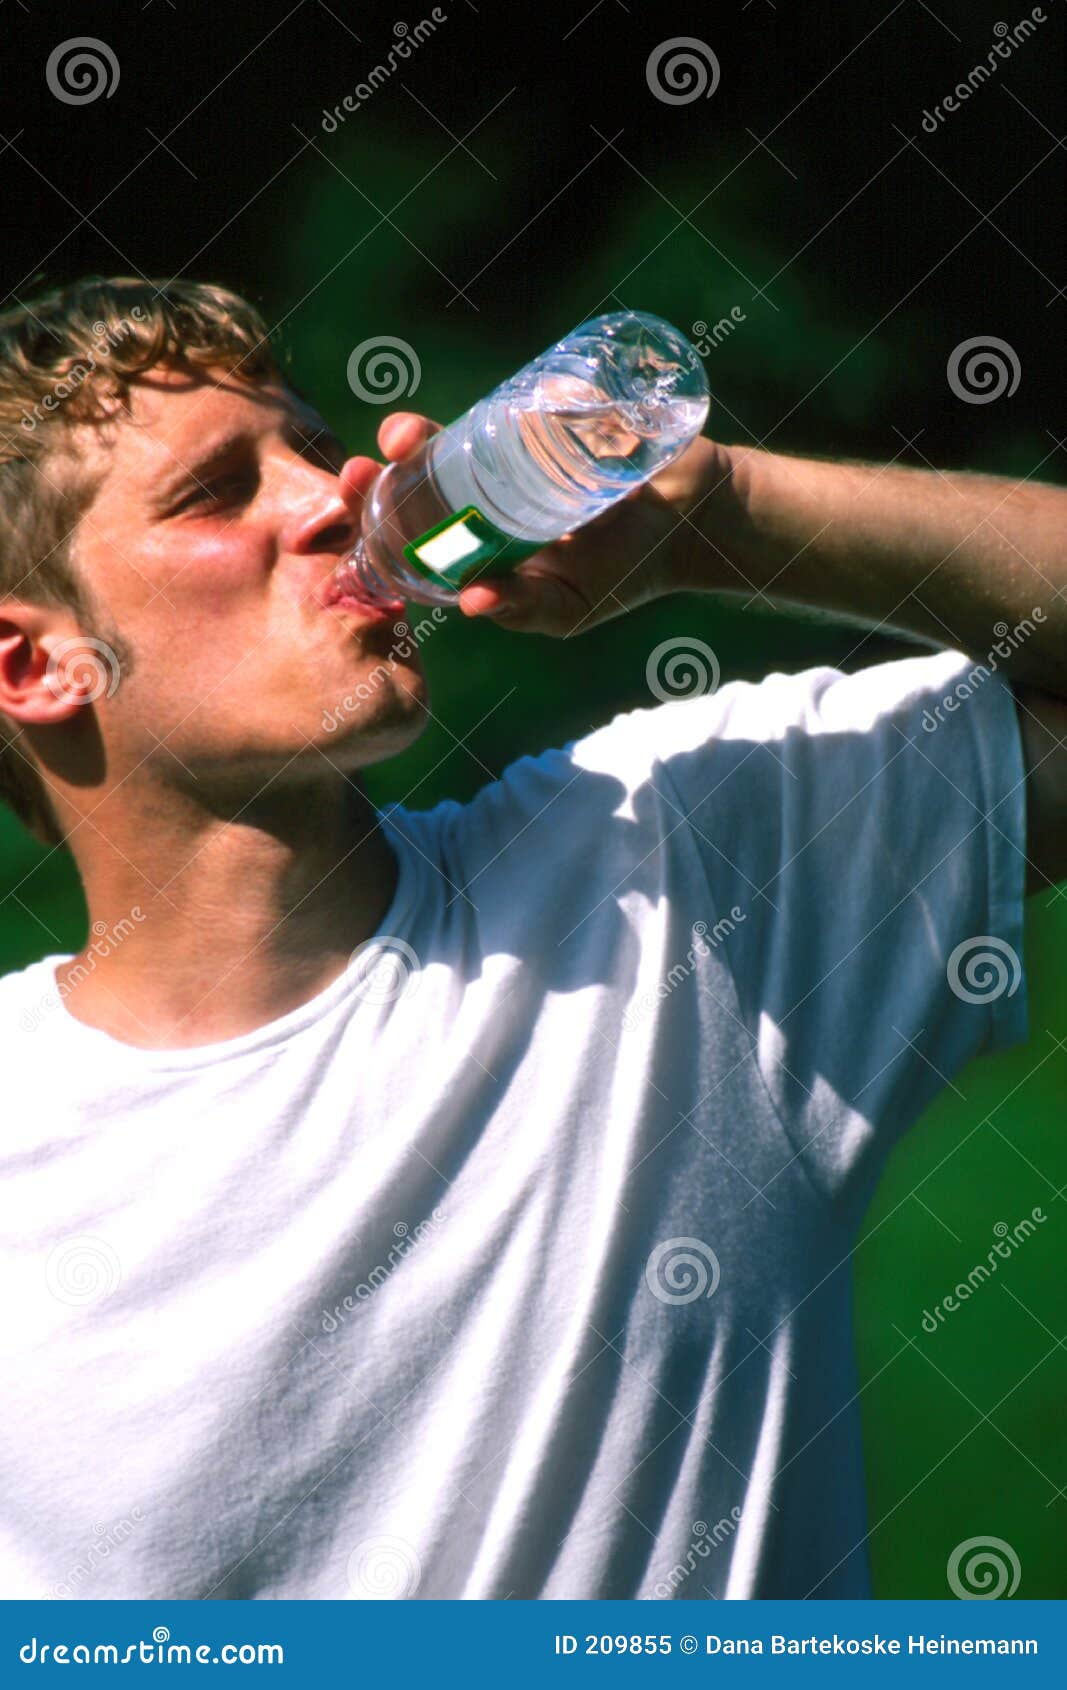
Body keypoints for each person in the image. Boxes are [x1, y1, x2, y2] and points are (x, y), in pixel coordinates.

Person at [0, 277, 1063, 1602]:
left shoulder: (670, 861)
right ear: (34, 667)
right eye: (216, 493)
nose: (331, 494)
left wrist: (721, 520)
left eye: (310, 445)